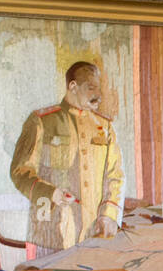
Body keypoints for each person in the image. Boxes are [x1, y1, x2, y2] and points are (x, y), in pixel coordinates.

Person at [10, 61, 124, 252]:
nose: (98, 95)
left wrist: (109, 214)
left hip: (94, 234)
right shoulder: (41, 121)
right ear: (73, 86)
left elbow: (116, 175)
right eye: (91, 88)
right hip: (52, 234)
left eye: (99, 88)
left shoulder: (105, 127)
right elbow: (19, 171)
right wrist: (51, 193)